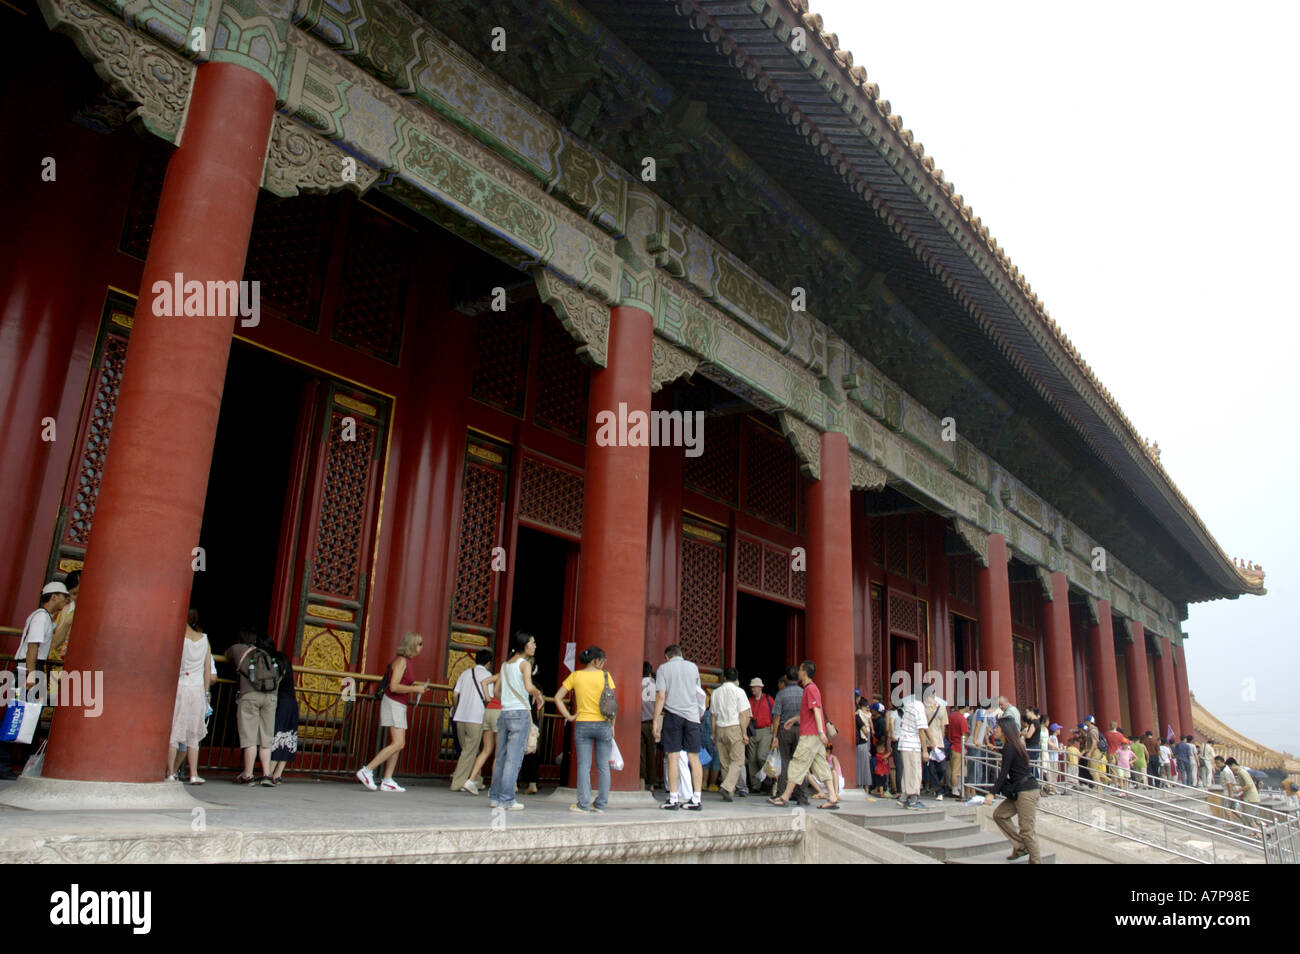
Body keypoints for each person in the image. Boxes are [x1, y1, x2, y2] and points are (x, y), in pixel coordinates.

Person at [356, 632, 431, 793]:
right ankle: (367, 770)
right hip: (394, 703)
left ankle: (387, 779)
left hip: (399, 703)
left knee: (398, 744)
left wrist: (416, 689)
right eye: (420, 644)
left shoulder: (406, 661)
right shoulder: (402, 661)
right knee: (398, 743)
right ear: (412, 645)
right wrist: (415, 688)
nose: (421, 647)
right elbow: (394, 686)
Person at [483, 631, 545, 811]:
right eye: (532, 643)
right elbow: (528, 686)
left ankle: (495, 797)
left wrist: (507, 702)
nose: (534, 646)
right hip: (520, 714)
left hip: (504, 713)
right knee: (514, 758)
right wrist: (538, 694)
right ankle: (507, 799)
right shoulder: (524, 664)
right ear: (524, 644)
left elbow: (495, 692)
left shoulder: (505, 665)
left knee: (501, 756)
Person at [767, 661, 839, 810]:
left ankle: (785, 797)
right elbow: (809, 713)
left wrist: (820, 732)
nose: (798, 671)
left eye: (800, 669)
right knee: (821, 765)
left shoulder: (810, 689)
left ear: (805, 672)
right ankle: (832, 797)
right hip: (814, 735)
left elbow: (817, 710)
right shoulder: (808, 689)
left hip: (810, 735)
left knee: (797, 763)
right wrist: (794, 719)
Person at [555, 645, 615, 814]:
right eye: (602, 659)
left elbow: (558, 697)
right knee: (603, 766)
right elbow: (612, 703)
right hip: (603, 724)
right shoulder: (605, 676)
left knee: (583, 766)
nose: (604, 662)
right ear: (596, 660)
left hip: (582, 724)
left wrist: (569, 716)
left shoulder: (576, 676)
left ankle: (583, 804)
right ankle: (601, 804)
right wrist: (612, 726)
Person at [226, 630, 284, 787]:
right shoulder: (268, 655)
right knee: (266, 738)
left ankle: (248, 774)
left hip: (250, 695)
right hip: (271, 696)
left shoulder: (239, 649)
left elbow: (227, 654)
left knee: (249, 736)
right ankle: (266, 774)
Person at [653, 644, 704, 811]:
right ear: (681, 654)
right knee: (694, 757)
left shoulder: (663, 668)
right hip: (692, 716)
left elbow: (661, 695)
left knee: (673, 756)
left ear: (667, 657)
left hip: (673, 716)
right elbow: (698, 692)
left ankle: (673, 798)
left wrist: (655, 721)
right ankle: (696, 799)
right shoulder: (693, 667)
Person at [985, 715, 1041, 863]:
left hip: (1026, 791)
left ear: (1004, 730)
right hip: (1019, 790)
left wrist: (992, 793)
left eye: (997, 727)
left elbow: (1003, 774)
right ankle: (1020, 846)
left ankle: (1036, 861)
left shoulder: (1010, 747)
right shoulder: (1010, 746)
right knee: (1000, 815)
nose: (994, 730)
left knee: (1027, 830)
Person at [167, 608, 213, 785]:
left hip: (180, 687)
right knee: (193, 734)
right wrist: (206, 692)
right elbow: (207, 669)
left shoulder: (181, 640)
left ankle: (170, 772)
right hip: (197, 689)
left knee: (175, 732)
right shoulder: (204, 639)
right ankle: (194, 773)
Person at [450, 649, 494, 794]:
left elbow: (455, 695)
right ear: (488, 662)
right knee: (470, 751)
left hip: (460, 716)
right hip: (476, 717)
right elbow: (490, 698)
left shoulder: (465, 673)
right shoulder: (488, 676)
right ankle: (457, 782)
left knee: (469, 750)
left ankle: (477, 780)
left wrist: (456, 709)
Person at [709, 667, 751, 801]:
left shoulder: (716, 692)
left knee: (724, 761)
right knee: (738, 760)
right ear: (736, 679)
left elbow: (713, 715)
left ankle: (729, 792)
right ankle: (727, 787)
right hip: (734, 727)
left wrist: (713, 733)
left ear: (724, 678)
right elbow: (743, 714)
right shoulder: (739, 692)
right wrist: (744, 733)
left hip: (720, 727)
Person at [771, 666, 810, 806]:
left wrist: (774, 736)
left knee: (785, 761)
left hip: (785, 730)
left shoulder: (781, 694)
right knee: (800, 763)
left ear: (786, 678)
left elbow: (777, 716)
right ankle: (802, 796)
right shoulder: (804, 693)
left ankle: (782, 795)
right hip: (801, 730)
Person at [468, 659, 500, 792]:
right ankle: (494, 787)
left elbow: (484, 682)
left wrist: (488, 698)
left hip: (489, 710)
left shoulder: (501, 673)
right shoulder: (516, 675)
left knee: (486, 750)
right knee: (499, 754)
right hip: (500, 712)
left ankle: (471, 780)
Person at [268, 644, 299, 785]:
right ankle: (278, 774)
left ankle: (268, 772)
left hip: (281, 703)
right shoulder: (285, 663)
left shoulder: (274, 664)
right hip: (291, 702)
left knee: (277, 735)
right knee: (288, 737)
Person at [896, 691, 929, 810]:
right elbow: (921, 730)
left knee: (908, 772)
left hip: (906, 743)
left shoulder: (911, 705)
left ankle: (903, 798)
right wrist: (925, 750)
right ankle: (913, 801)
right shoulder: (919, 707)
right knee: (915, 772)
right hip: (912, 744)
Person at [746, 677, 775, 794]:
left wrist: (774, 731)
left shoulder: (769, 699)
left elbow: (775, 715)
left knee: (761, 756)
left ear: (760, 687)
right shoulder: (749, 700)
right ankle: (755, 785)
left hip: (766, 730)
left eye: (755, 687)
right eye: (752, 687)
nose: (753, 689)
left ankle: (769, 781)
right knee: (752, 759)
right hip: (752, 731)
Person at [49, 569, 80, 663]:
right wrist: (67, 622)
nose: (79, 596)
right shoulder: (66, 610)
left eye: (82, 591)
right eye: (74, 594)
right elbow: (54, 644)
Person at [641, 662, 659, 792]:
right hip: (652, 722)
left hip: (638, 722)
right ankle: (652, 784)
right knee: (651, 753)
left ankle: (641, 780)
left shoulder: (636, 682)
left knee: (640, 754)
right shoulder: (655, 684)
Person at [946, 704, 969, 797]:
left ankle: (953, 788)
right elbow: (964, 734)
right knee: (957, 771)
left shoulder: (951, 716)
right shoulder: (962, 719)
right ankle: (955, 790)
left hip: (952, 744)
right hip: (959, 746)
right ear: (966, 707)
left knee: (952, 769)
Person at [855, 696, 873, 791]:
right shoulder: (858, 715)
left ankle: (862, 786)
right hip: (863, 741)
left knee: (861, 765)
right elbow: (866, 731)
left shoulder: (858, 714)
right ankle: (865, 787)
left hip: (861, 742)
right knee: (865, 765)